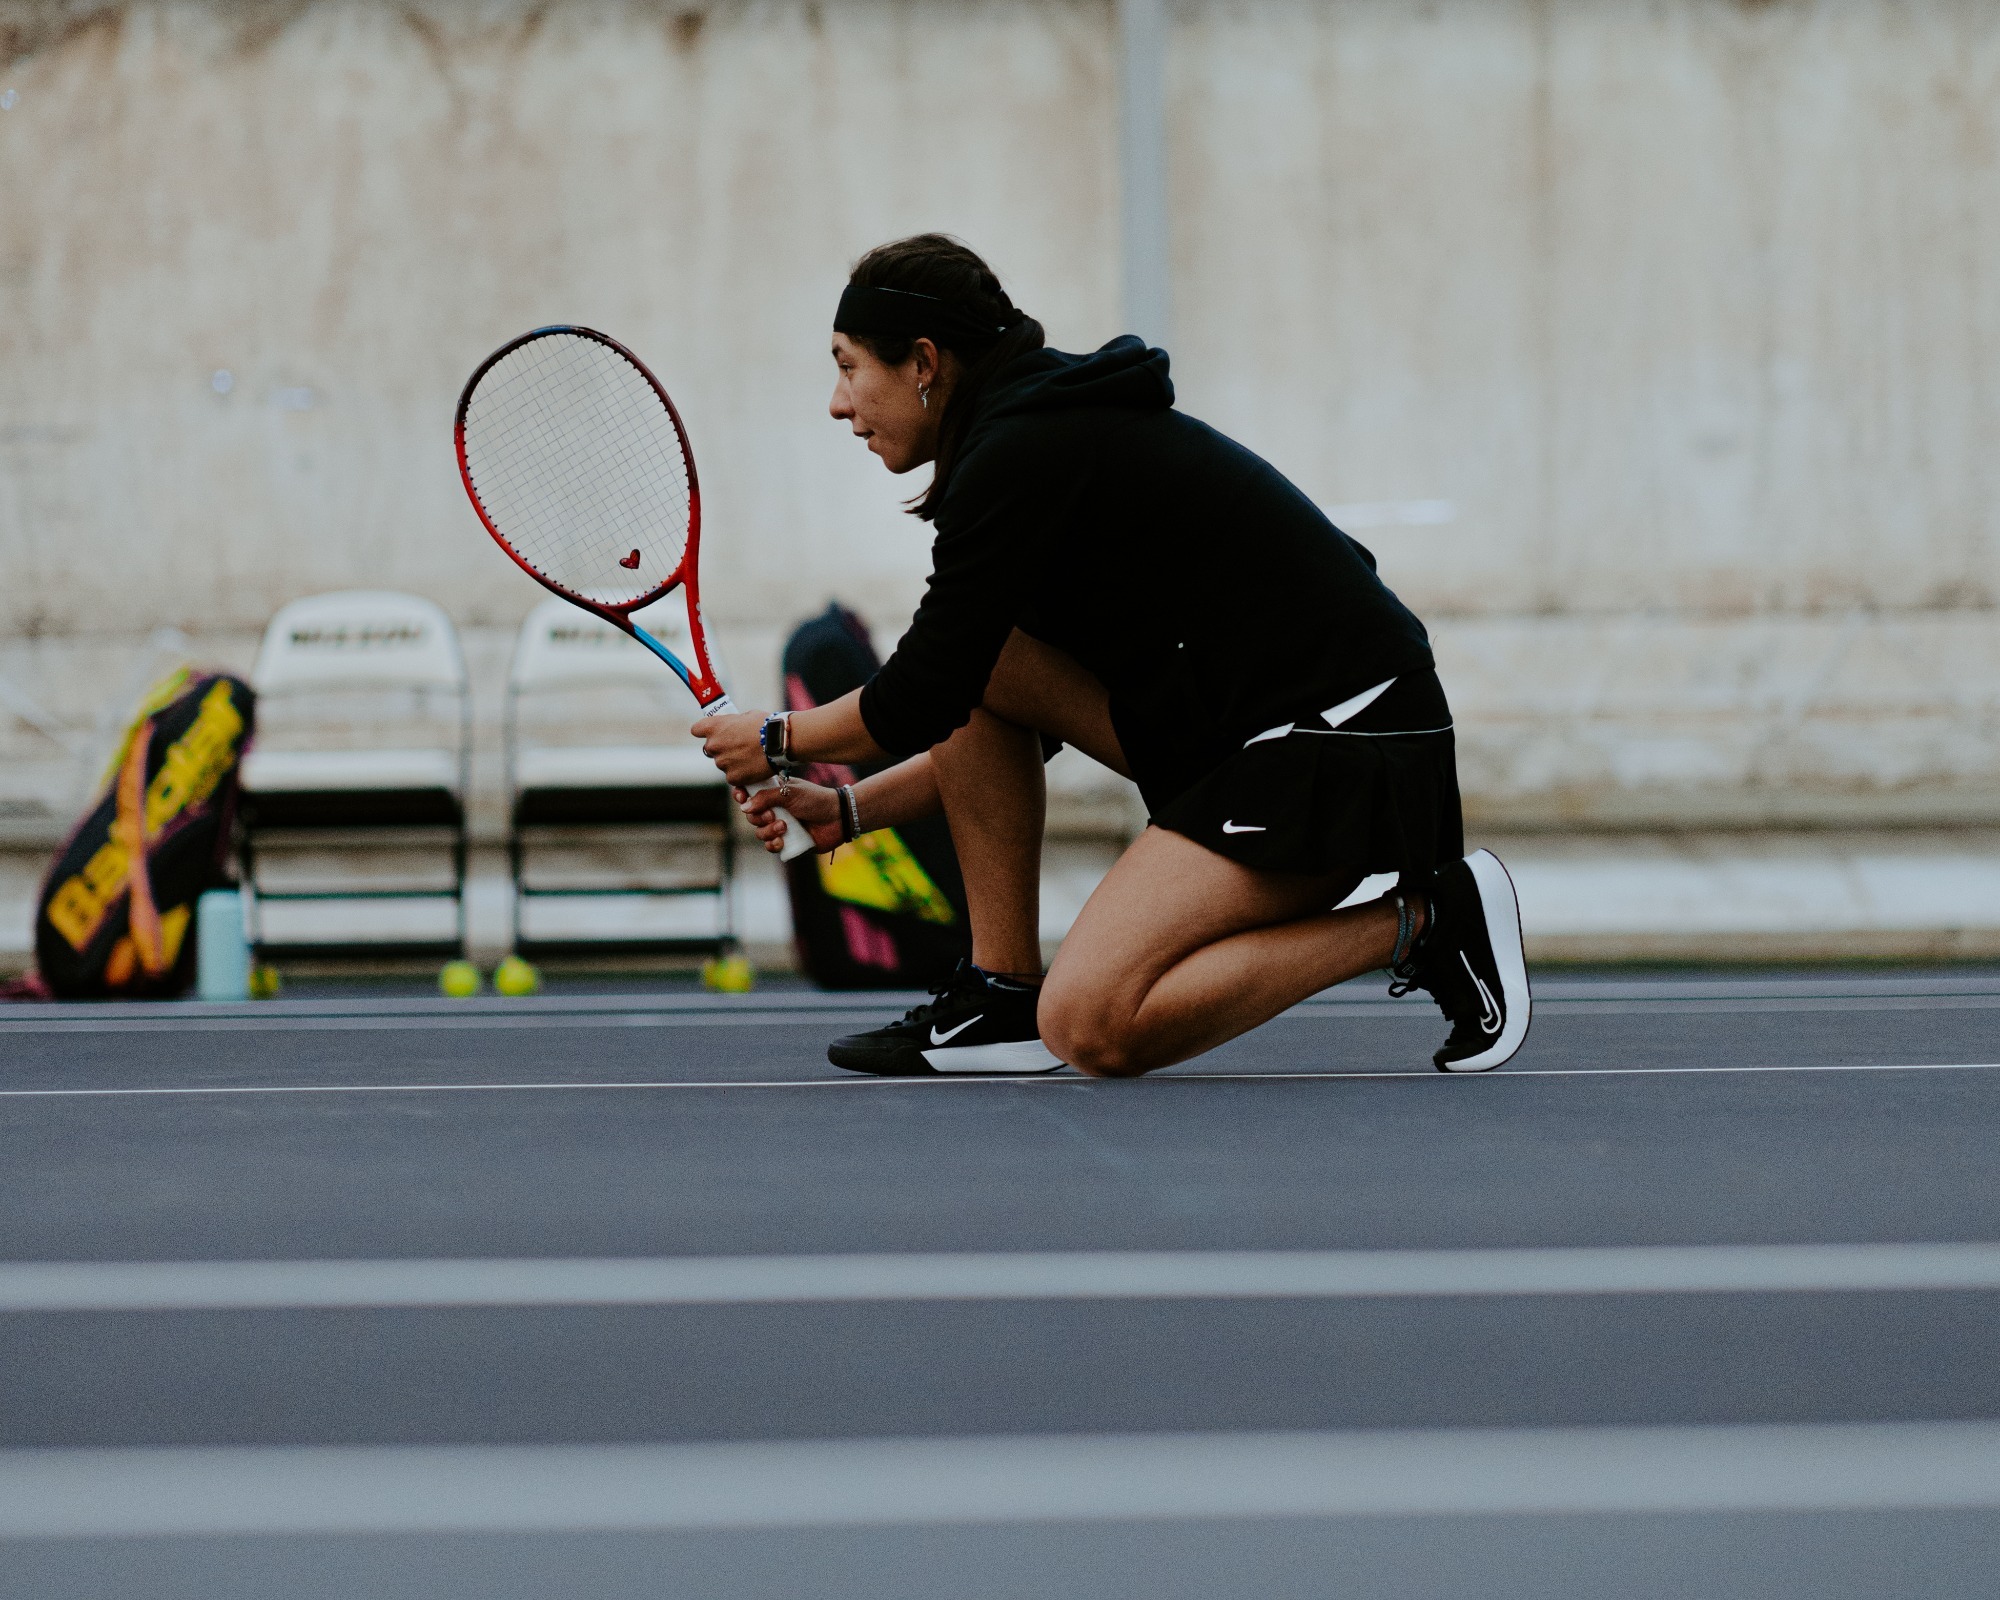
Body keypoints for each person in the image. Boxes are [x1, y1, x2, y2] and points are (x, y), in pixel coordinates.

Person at [692, 234, 1529, 1079]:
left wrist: (778, 738)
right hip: (1244, 732)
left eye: (847, 368)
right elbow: (981, 702)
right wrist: (853, 813)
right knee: (990, 661)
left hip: (1339, 747)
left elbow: (915, 695)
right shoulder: (1025, 438)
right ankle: (999, 998)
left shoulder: (1022, 451)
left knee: (1093, 1023)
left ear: (923, 363)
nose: (838, 404)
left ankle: (1424, 921)